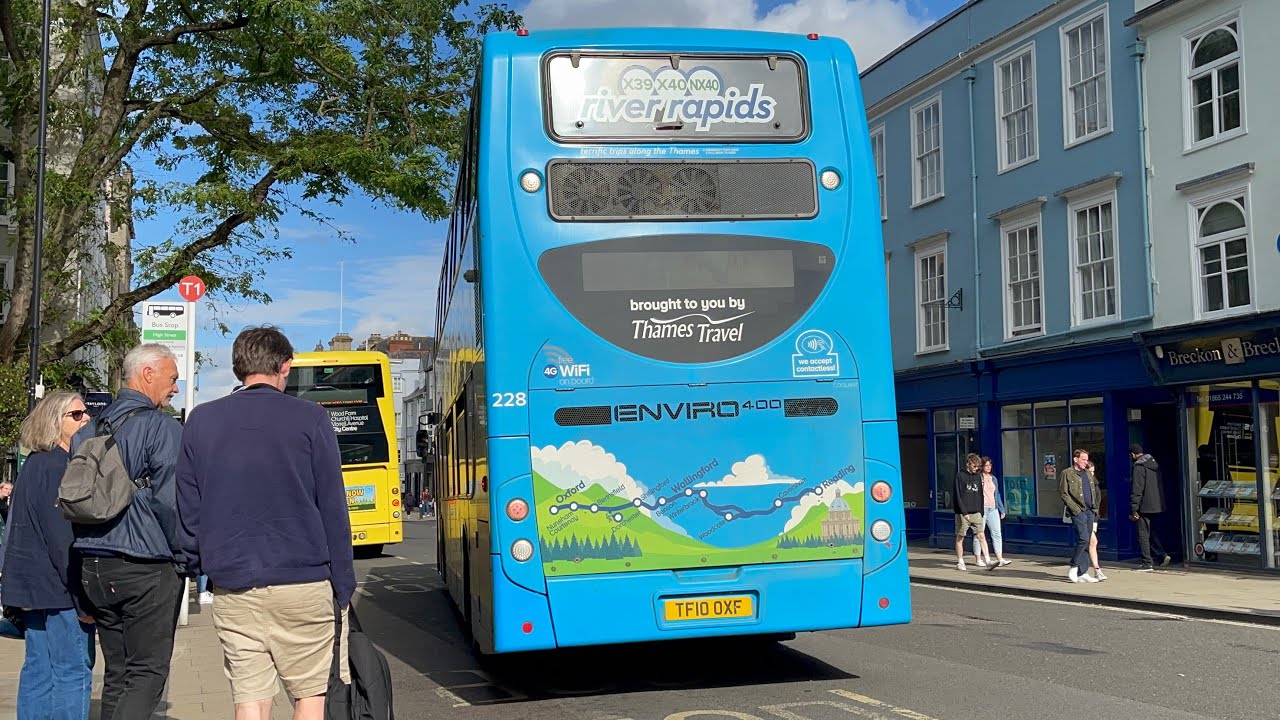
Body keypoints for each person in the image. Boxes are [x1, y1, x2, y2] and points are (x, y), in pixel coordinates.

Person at [177, 326, 355, 720]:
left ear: (239, 367)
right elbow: (332, 510)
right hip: (304, 581)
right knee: (310, 696)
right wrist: (342, 586)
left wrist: (202, 569)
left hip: (234, 583)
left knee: (250, 699)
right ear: (285, 366)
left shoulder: (201, 422)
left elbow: (188, 511)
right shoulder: (311, 419)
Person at [73, 343, 186, 720]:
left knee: (118, 674)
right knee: (147, 674)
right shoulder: (161, 427)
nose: (175, 389)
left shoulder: (87, 429)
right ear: (147, 374)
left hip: (93, 566)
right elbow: (172, 503)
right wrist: (187, 557)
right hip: (145, 567)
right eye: (172, 379)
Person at [4, 391, 96, 719]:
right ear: (55, 422)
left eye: (85, 412)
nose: (86, 418)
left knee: (38, 670)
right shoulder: (60, 467)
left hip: (31, 588)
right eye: (76, 414)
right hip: (59, 590)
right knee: (72, 671)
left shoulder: (34, 465)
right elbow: (62, 539)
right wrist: (82, 599)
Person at [1060, 449, 1101, 583]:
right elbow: (1064, 493)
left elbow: (1094, 491)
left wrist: (1094, 509)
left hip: (1090, 511)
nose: (1085, 462)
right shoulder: (1067, 473)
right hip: (1078, 511)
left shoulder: (1088, 474)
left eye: (1086, 459)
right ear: (1075, 459)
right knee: (1083, 538)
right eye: (1083, 459)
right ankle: (1073, 566)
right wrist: (1075, 509)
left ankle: (1082, 572)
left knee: (1087, 540)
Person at [1129, 443, 1171, 571]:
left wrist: (1134, 508)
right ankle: (1162, 554)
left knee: (1143, 534)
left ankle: (1147, 563)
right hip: (1157, 504)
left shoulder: (1139, 467)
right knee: (1151, 531)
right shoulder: (1154, 465)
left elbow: (1137, 489)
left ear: (1132, 454)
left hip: (1144, 506)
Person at [952, 453, 990, 571]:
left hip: (976, 511)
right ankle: (960, 561)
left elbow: (980, 495)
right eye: (974, 466)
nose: (976, 469)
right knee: (960, 536)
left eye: (978, 467)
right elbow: (957, 496)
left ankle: (987, 560)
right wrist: (964, 512)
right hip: (963, 512)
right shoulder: (960, 476)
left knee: (981, 535)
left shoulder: (978, 477)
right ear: (968, 463)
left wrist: (981, 511)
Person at [972, 456, 1010, 569]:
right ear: (982, 467)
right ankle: (978, 559)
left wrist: (1002, 509)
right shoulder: (978, 478)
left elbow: (997, 494)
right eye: (986, 465)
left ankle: (1000, 558)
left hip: (993, 508)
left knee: (997, 533)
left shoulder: (993, 478)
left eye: (990, 465)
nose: (989, 467)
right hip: (981, 508)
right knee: (979, 533)